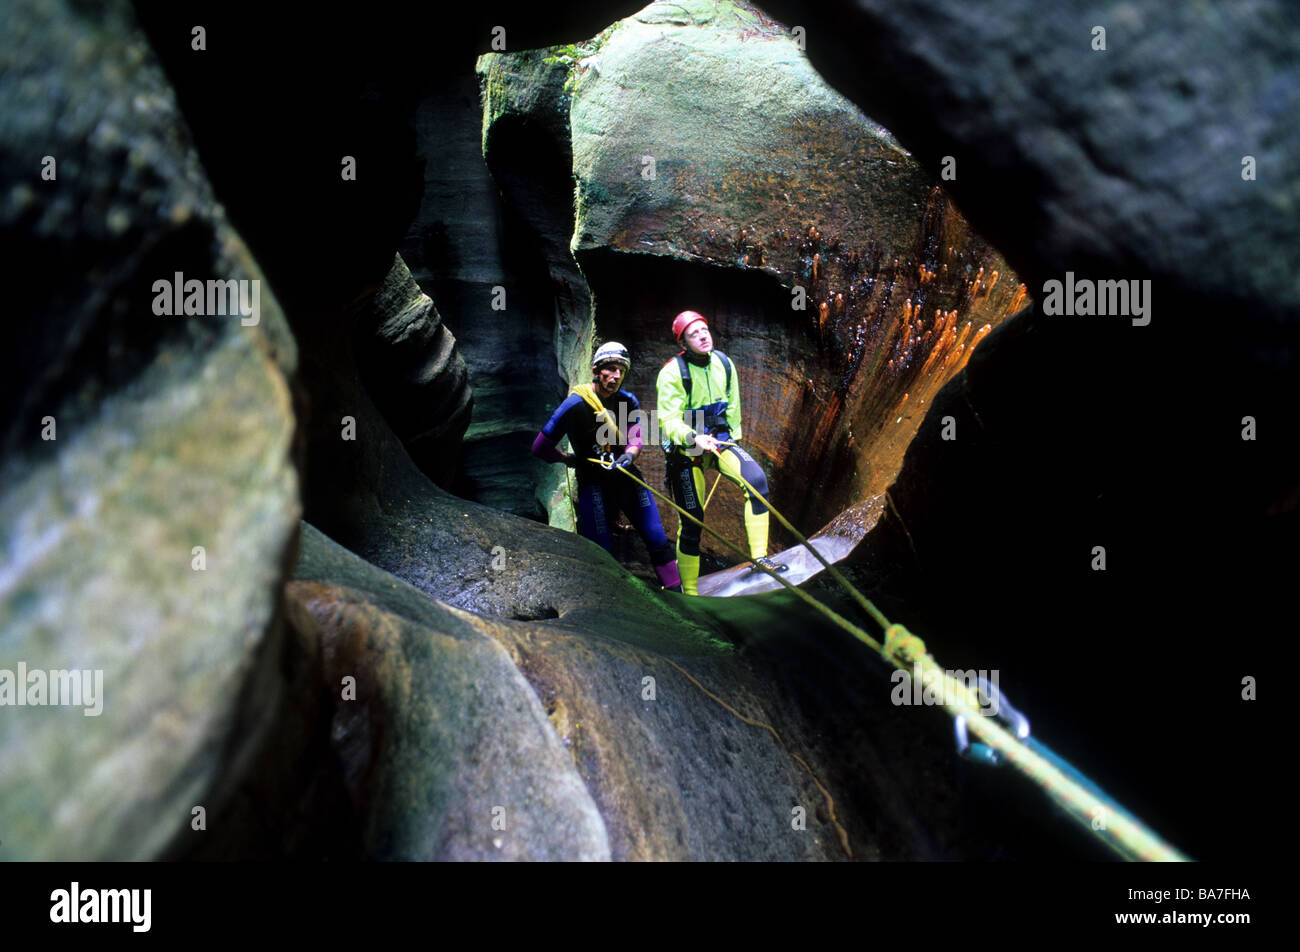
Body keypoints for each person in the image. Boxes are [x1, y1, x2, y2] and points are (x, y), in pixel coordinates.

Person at [531, 341, 683, 592]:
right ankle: (610, 604)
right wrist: (567, 459)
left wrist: (630, 455)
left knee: (657, 538)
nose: (615, 376)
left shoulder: (626, 400)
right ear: (596, 370)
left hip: (625, 475)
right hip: (594, 483)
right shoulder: (575, 405)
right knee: (601, 550)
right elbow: (539, 447)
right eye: (610, 369)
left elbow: (635, 434)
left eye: (621, 371)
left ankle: (682, 599)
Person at [655, 310, 786, 596]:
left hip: (721, 442)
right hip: (687, 449)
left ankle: (760, 559)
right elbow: (667, 420)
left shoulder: (724, 364)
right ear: (683, 342)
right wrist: (693, 438)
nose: (702, 336)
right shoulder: (672, 373)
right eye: (694, 334)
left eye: (704, 330)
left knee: (757, 481)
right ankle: (690, 592)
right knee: (691, 521)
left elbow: (733, 408)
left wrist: (733, 443)